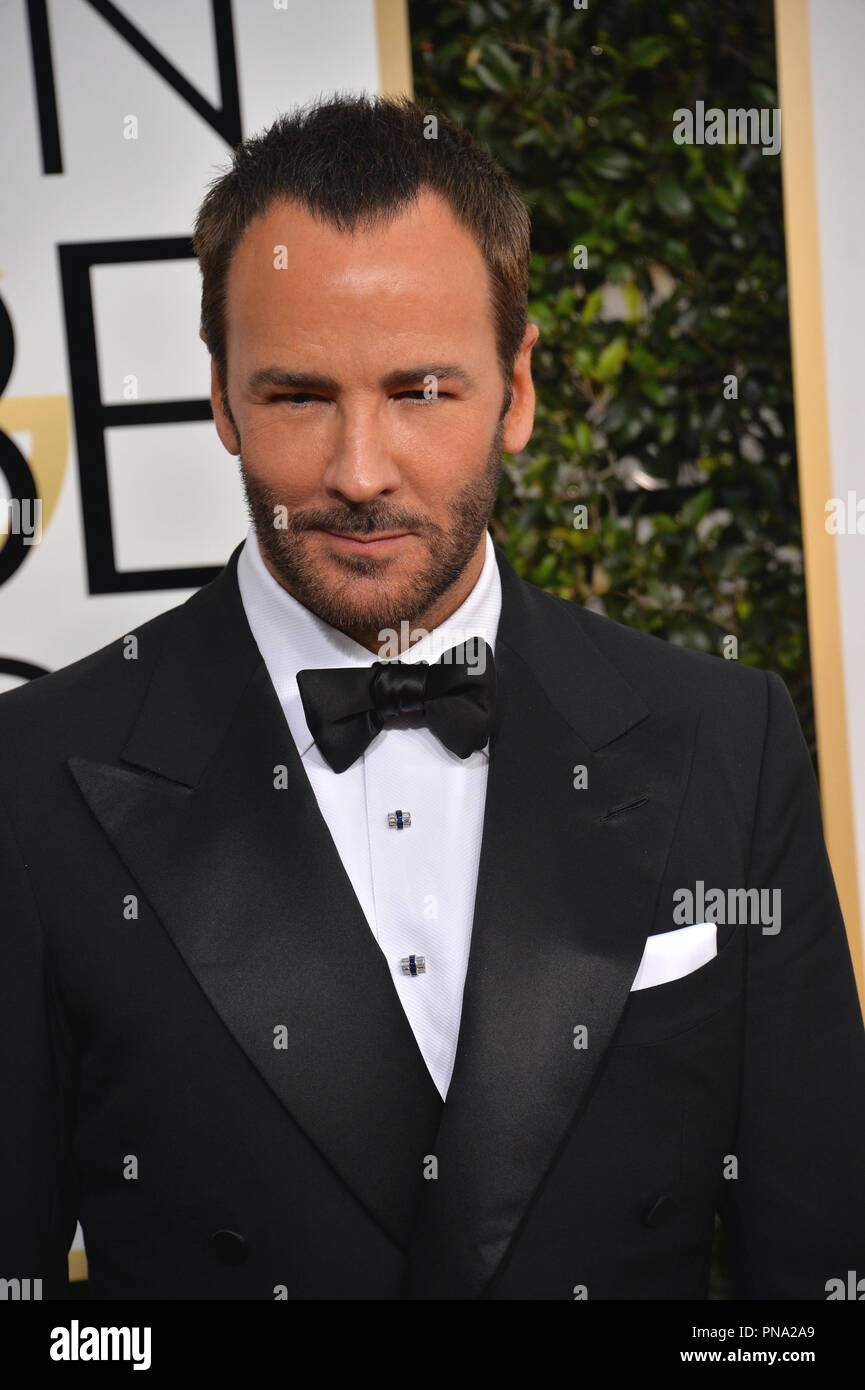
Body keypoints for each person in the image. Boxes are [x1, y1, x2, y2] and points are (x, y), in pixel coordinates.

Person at [1, 94, 863, 1301]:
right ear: (222, 401)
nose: (360, 473)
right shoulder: (32, 779)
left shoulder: (725, 738)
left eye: (419, 391)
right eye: (299, 395)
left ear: (515, 391)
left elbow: (819, 1270)